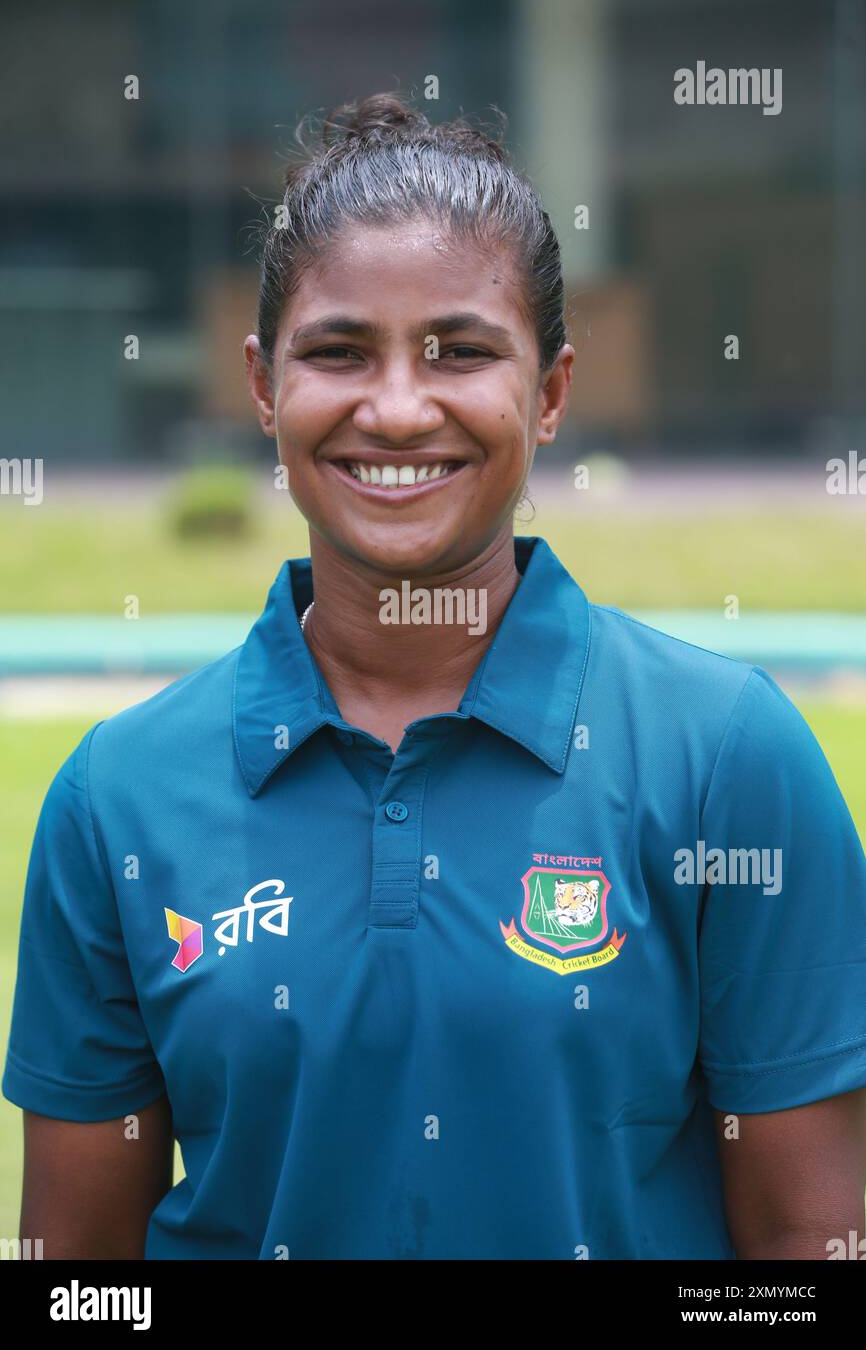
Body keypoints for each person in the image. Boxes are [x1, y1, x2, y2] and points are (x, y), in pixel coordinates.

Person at [4, 92, 866, 1261]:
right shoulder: (118, 797)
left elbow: (806, 1254)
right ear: (263, 386)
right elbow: (80, 1282)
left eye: (459, 351)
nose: (398, 408)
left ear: (551, 392)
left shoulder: (725, 757)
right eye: (338, 351)